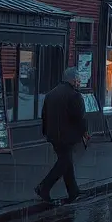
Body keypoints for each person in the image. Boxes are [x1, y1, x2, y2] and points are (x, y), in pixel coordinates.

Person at [36, 68, 89, 204]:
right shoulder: (75, 95)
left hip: (53, 135)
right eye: (77, 79)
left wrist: (46, 131)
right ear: (72, 80)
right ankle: (44, 187)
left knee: (66, 161)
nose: (79, 82)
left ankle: (73, 191)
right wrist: (84, 132)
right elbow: (80, 118)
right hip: (68, 135)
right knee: (64, 162)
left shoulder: (51, 94)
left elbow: (44, 115)